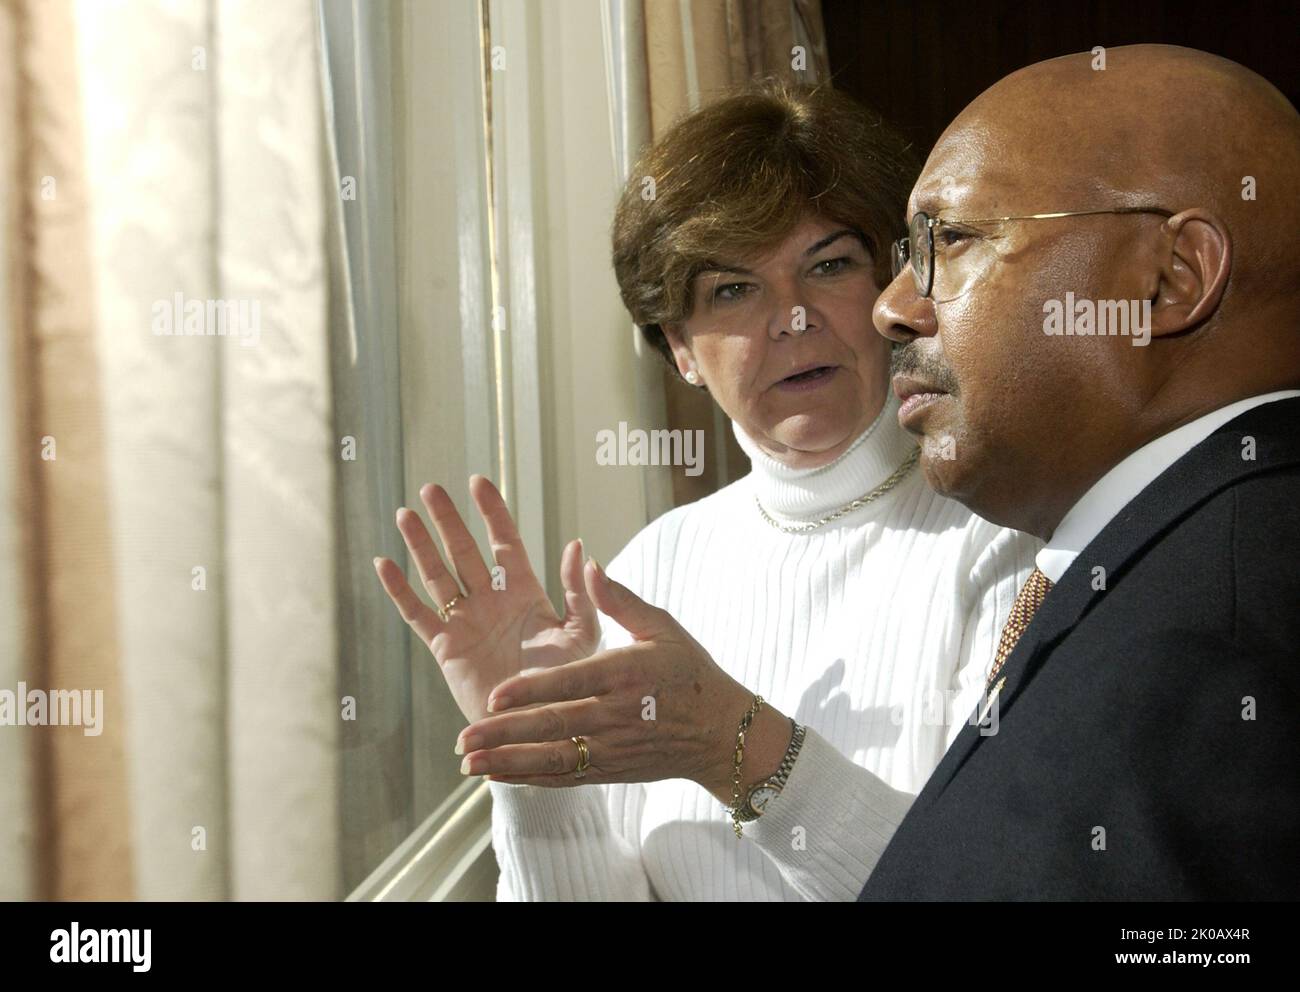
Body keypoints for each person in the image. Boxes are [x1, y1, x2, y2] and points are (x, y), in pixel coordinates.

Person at [378, 82, 1040, 901]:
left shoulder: (1010, 540)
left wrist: (732, 741)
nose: (792, 319)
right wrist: (536, 762)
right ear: (680, 349)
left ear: (893, 291)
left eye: (829, 265)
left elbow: (993, 885)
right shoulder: (649, 572)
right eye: (733, 290)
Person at [856, 44, 1300, 899]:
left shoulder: (1230, 630)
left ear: (1170, 280)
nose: (893, 306)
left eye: (949, 239)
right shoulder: (1171, 571)